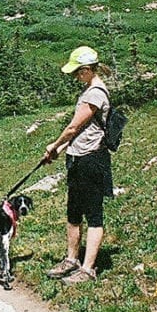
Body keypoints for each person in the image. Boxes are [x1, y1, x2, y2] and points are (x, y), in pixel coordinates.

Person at [42, 45, 114, 284]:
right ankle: (71, 260)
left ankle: (88, 268)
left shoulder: (95, 93)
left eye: (76, 72)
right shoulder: (88, 90)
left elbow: (73, 127)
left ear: (86, 70)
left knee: (93, 214)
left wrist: (55, 144)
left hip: (92, 159)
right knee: (73, 212)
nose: (74, 77)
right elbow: (81, 130)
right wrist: (61, 149)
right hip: (77, 157)